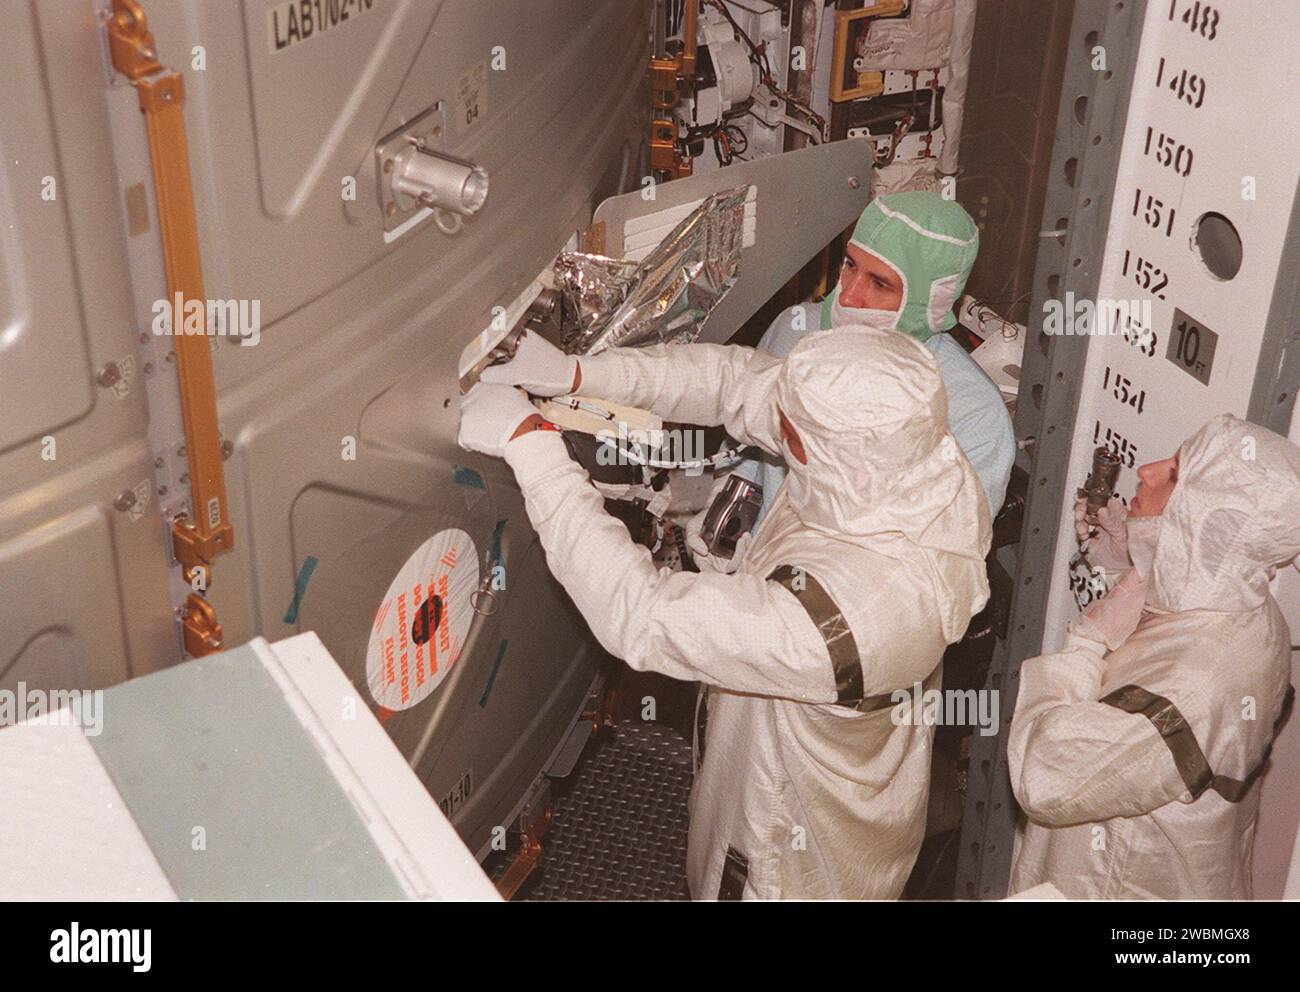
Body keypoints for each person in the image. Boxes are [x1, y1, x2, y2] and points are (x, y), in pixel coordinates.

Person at [461, 327, 991, 899]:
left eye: (789, 429)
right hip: (801, 766)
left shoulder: (853, 617)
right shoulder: (911, 456)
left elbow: (639, 615)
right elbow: (736, 382)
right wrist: (579, 374)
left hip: (784, 859)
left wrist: (534, 448)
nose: (774, 419)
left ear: (829, 452)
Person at [1007, 414, 1300, 899]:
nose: (1146, 470)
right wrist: (1138, 557)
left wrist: (1087, 641)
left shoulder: (1191, 687)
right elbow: (1178, 625)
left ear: (1209, 518)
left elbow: (1044, 775)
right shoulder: (1256, 617)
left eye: (1177, 475)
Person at [707, 192, 1014, 571]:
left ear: (931, 303)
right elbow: (750, 442)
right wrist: (732, 496)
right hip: (761, 572)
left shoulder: (974, 413)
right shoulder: (795, 330)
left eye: (880, 284)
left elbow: (945, 562)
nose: (849, 295)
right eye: (850, 266)